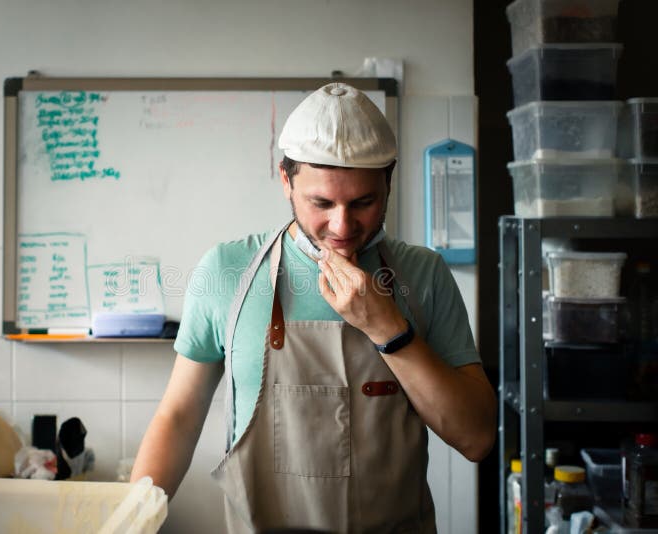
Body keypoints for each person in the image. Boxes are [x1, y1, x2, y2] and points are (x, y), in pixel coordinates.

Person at [130, 82, 497, 533]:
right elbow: (179, 417)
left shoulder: (424, 276)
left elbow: (477, 438)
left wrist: (388, 329)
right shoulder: (228, 272)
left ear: (389, 181)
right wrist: (130, 520)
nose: (342, 225)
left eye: (363, 202)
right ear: (286, 181)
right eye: (321, 203)